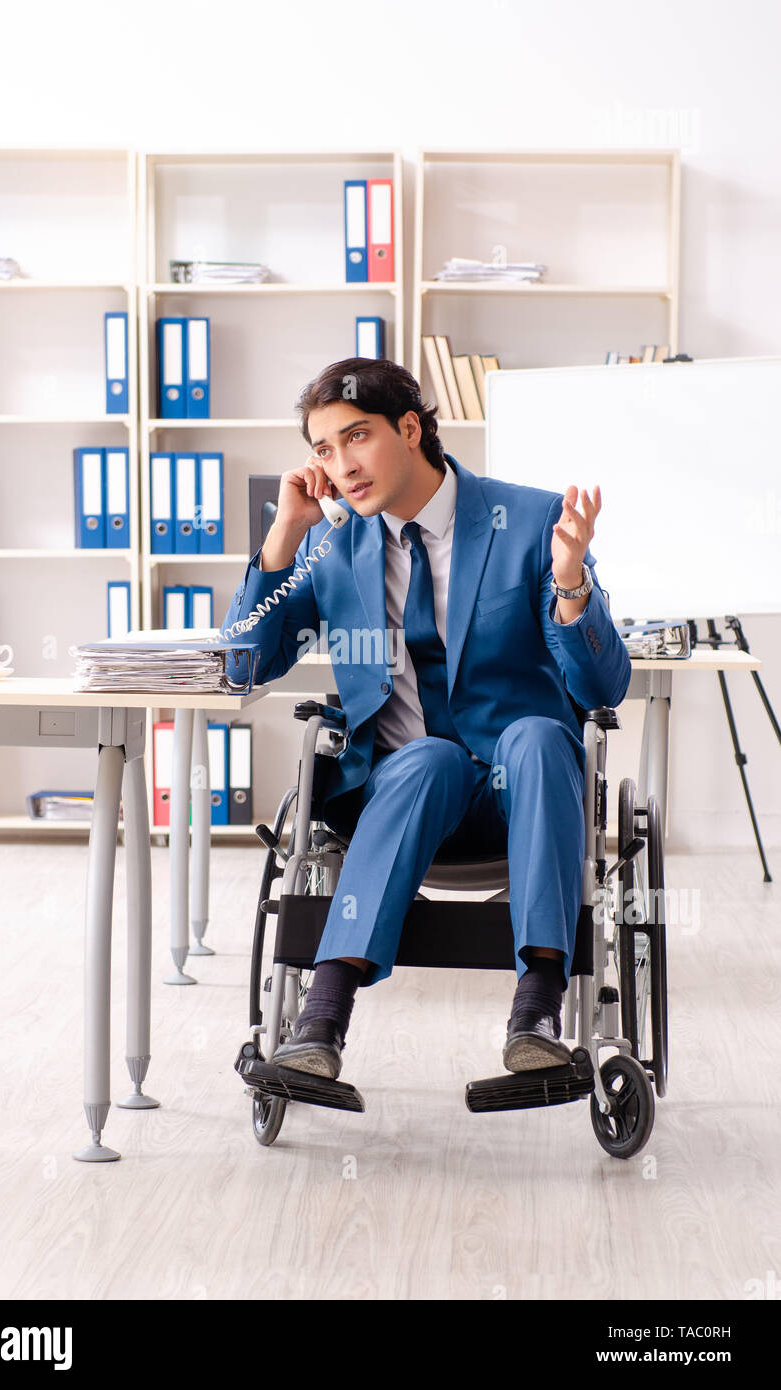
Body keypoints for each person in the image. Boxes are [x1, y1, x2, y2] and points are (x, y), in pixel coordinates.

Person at [223, 358, 631, 1081]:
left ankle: (537, 1008)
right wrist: (284, 534)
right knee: (427, 758)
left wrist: (571, 586)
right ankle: (320, 1018)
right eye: (323, 450)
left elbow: (603, 684)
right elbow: (243, 663)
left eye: (357, 437)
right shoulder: (334, 545)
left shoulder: (529, 521)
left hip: (524, 796)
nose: (342, 466)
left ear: (410, 429)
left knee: (539, 734)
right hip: (406, 795)